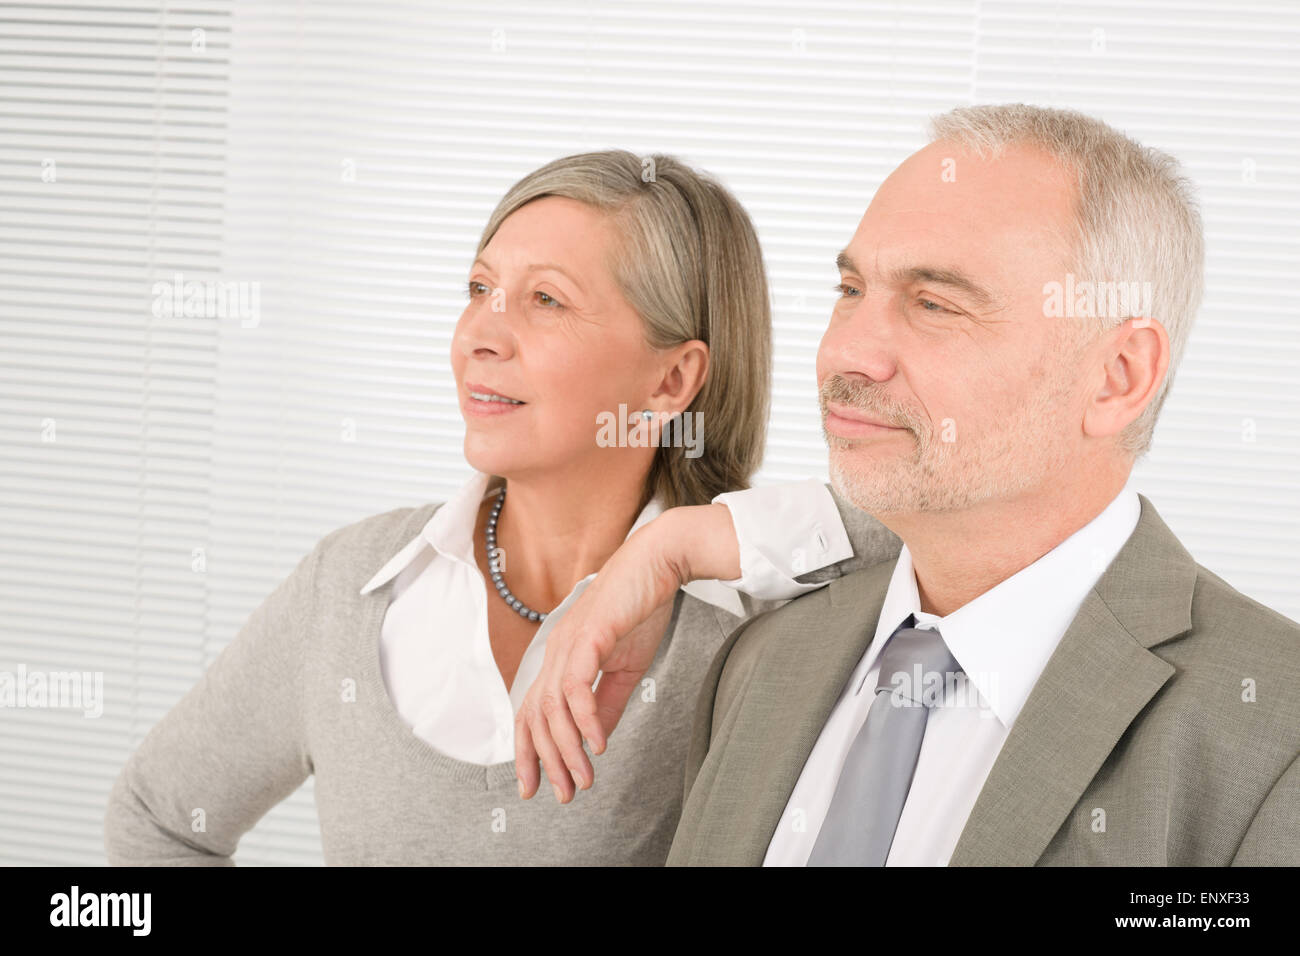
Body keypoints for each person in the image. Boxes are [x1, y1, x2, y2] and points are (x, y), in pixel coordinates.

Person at [513, 106, 1300, 865]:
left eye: (934, 304)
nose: (847, 355)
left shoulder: (1272, 739)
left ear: (1117, 377)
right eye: (850, 291)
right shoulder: (760, 664)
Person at [102, 149, 903, 866]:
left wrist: (672, 552)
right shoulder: (351, 584)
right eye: (480, 288)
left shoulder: (767, 622)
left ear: (669, 382)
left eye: (546, 300)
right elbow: (158, 820)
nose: (481, 334)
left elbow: (955, 521)